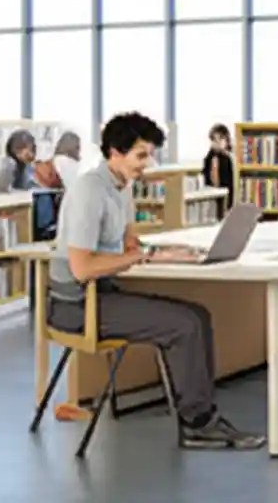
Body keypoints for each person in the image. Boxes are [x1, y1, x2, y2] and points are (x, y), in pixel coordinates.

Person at [46, 112, 266, 450]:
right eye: (141, 155)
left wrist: (165, 252)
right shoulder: (90, 191)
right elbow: (82, 268)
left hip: (102, 293)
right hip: (76, 305)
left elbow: (130, 246)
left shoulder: (122, 187)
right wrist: (139, 257)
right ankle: (198, 425)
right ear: (114, 153)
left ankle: (200, 417)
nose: (147, 163)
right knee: (184, 324)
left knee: (198, 315)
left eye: (150, 154)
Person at [201, 123, 235, 210]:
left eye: (220, 140)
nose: (216, 143)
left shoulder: (228, 158)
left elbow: (230, 183)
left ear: (226, 141)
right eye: (214, 140)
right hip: (211, 193)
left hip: (225, 194)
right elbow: (205, 177)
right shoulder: (209, 157)